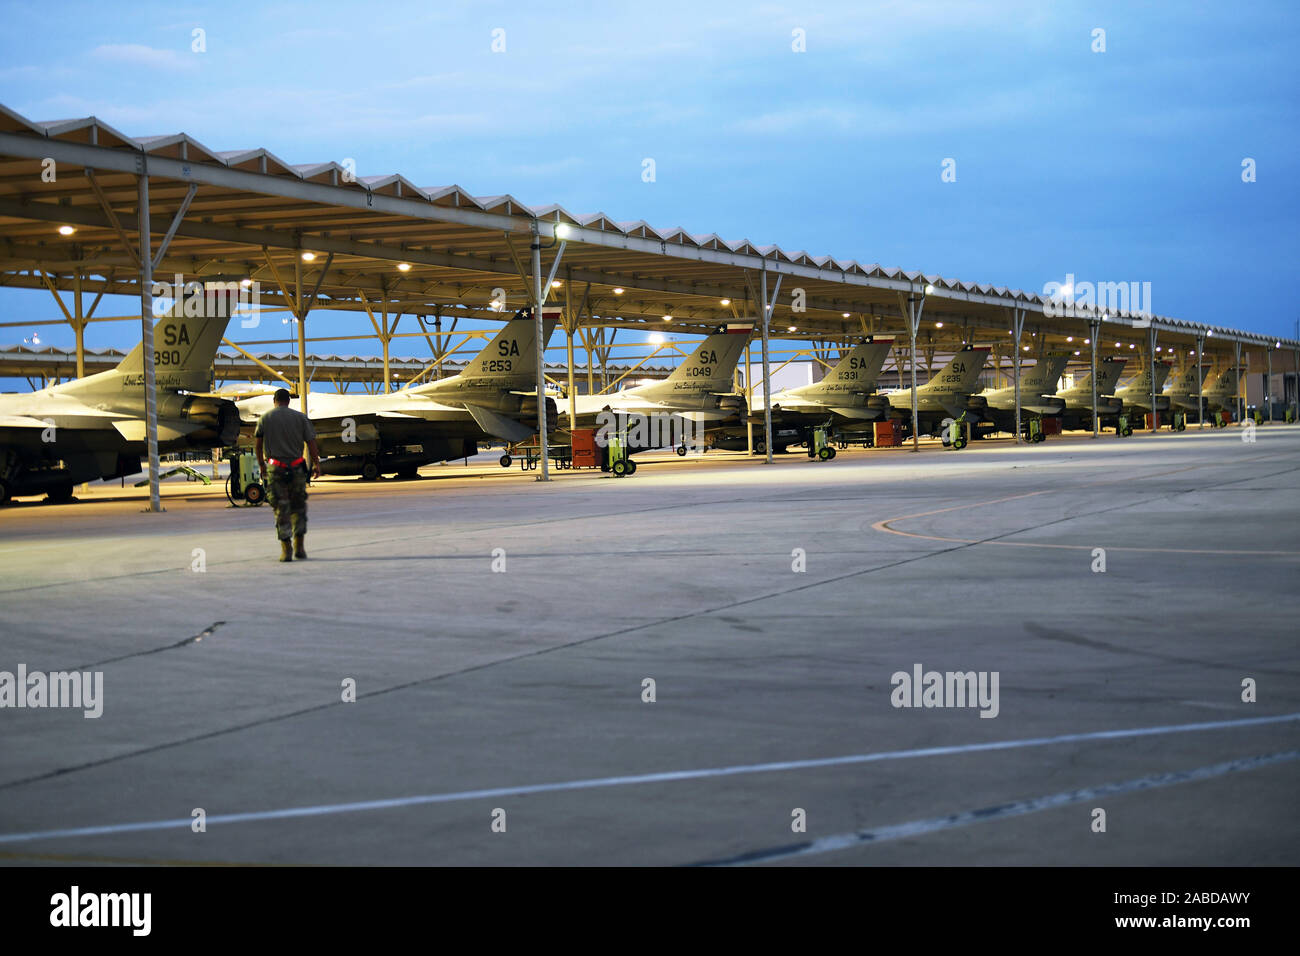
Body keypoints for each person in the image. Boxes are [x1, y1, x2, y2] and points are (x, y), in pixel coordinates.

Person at [254, 389, 322, 562]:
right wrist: (316, 464)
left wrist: (261, 464)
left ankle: (286, 549)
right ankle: (300, 547)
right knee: (298, 507)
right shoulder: (300, 418)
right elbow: (311, 442)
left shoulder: (265, 418)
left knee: (281, 508)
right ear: (288, 401)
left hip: (276, 468)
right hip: (297, 468)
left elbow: (258, 444)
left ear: (274, 400)